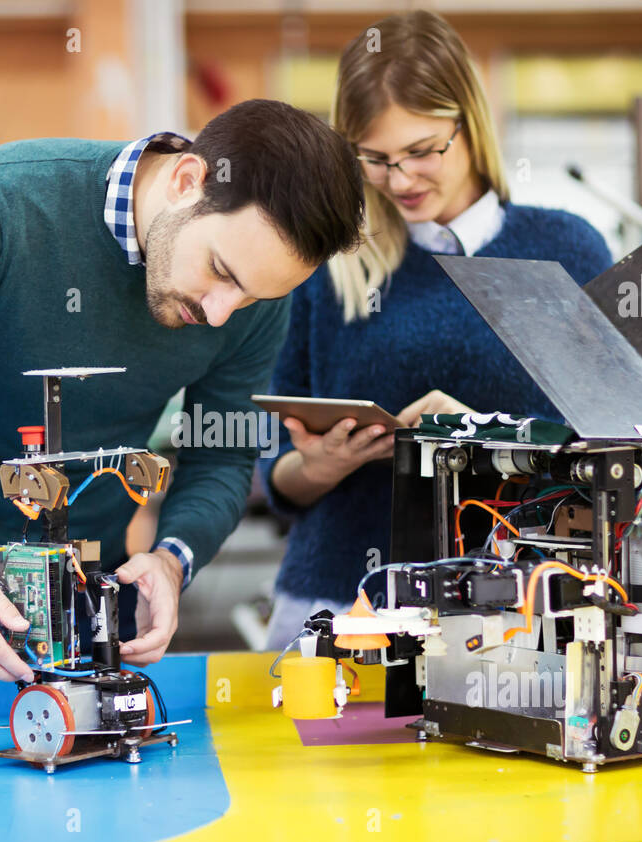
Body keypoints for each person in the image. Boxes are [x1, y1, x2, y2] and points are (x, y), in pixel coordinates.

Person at [0, 98, 364, 682]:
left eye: (252, 298)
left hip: (84, 601)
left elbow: (222, 451)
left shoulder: (252, 292)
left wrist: (171, 560)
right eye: (222, 273)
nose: (221, 315)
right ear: (188, 181)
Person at [259, 12, 614, 649]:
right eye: (374, 158)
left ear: (470, 123)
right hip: (343, 604)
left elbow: (621, 449)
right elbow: (268, 466)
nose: (400, 180)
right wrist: (316, 468)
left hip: (526, 609)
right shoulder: (327, 267)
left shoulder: (565, 249)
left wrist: (483, 437)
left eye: (422, 151)